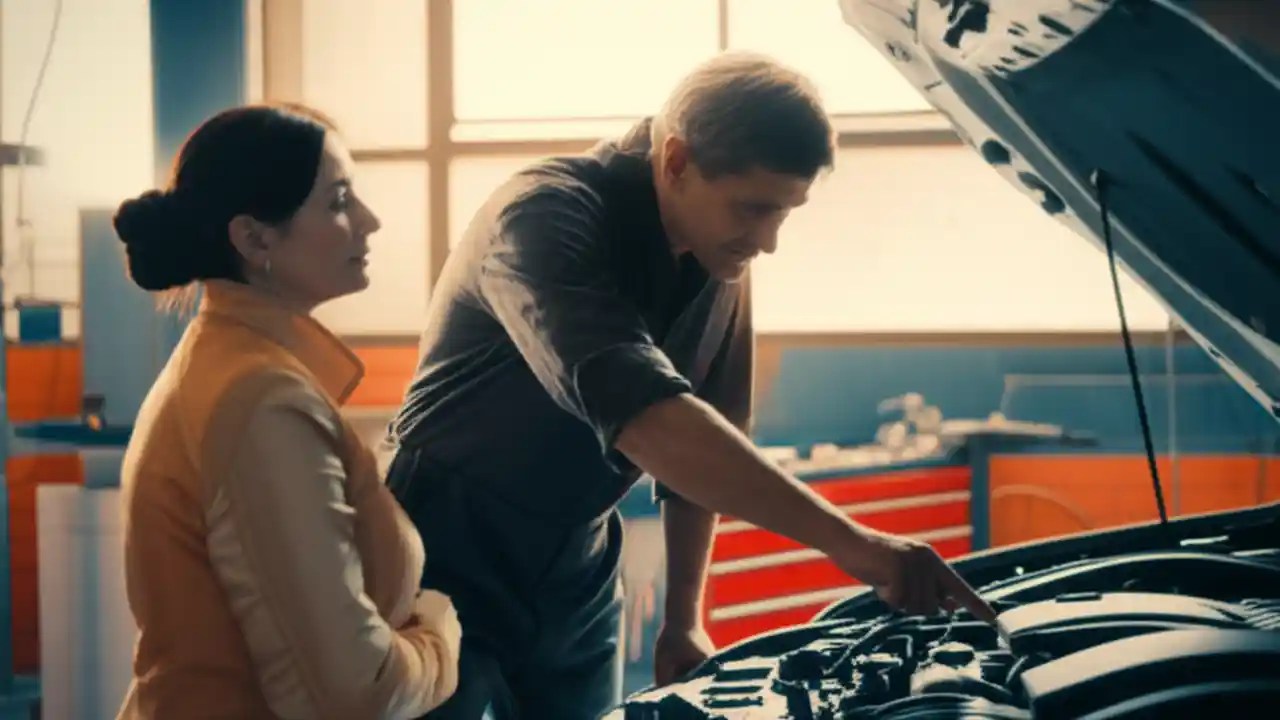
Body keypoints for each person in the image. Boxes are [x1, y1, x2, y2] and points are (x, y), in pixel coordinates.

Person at [385, 51, 995, 719]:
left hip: (580, 559)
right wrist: (858, 547)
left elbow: (712, 430)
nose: (768, 241)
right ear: (675, 160)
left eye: (785, 212)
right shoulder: (541, 217)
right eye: (753, 208)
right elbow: (651, 420)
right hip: (448, 546)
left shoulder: (719, 253)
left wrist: (683, 617)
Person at [113, 104, 461, 719]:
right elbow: (360, 694)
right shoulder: (262, 401)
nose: (370, 221)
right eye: (338, 201)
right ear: (254, 238)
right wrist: (440, 630)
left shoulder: (233, 365)